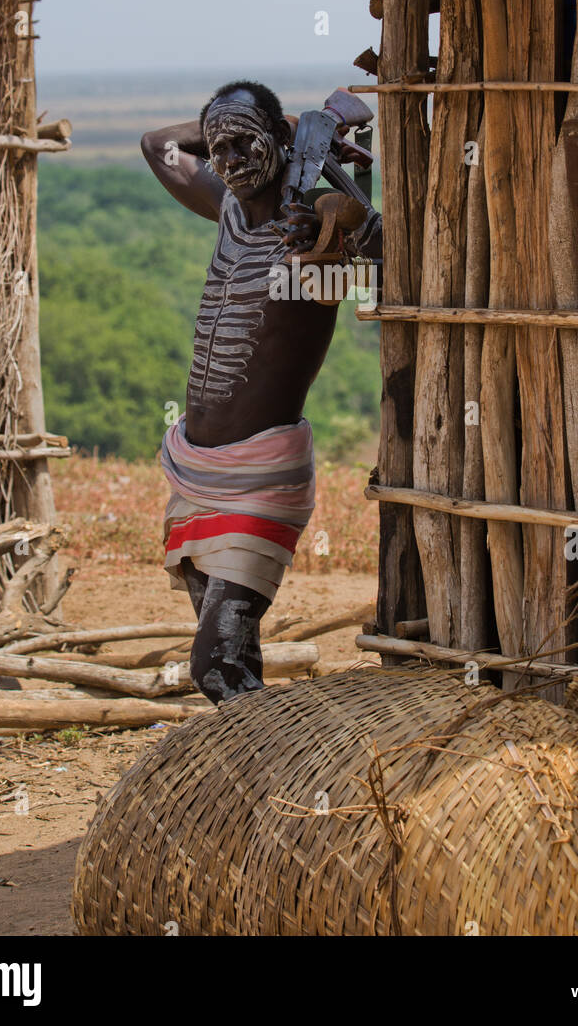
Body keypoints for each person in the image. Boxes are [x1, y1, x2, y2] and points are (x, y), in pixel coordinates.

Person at [141, 80, 381, 705]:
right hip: (194, 472)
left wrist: (335, 227)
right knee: (232, 658)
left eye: (245, 144)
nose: (230, 161)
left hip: (259, 478)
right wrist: (294, 126)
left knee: (217, 667)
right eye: (217, 148)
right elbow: (158, 143)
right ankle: (258, 757)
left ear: (275, 142)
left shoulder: (315, 220)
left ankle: (294, 756)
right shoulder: (224, 205)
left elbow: (380, 254)